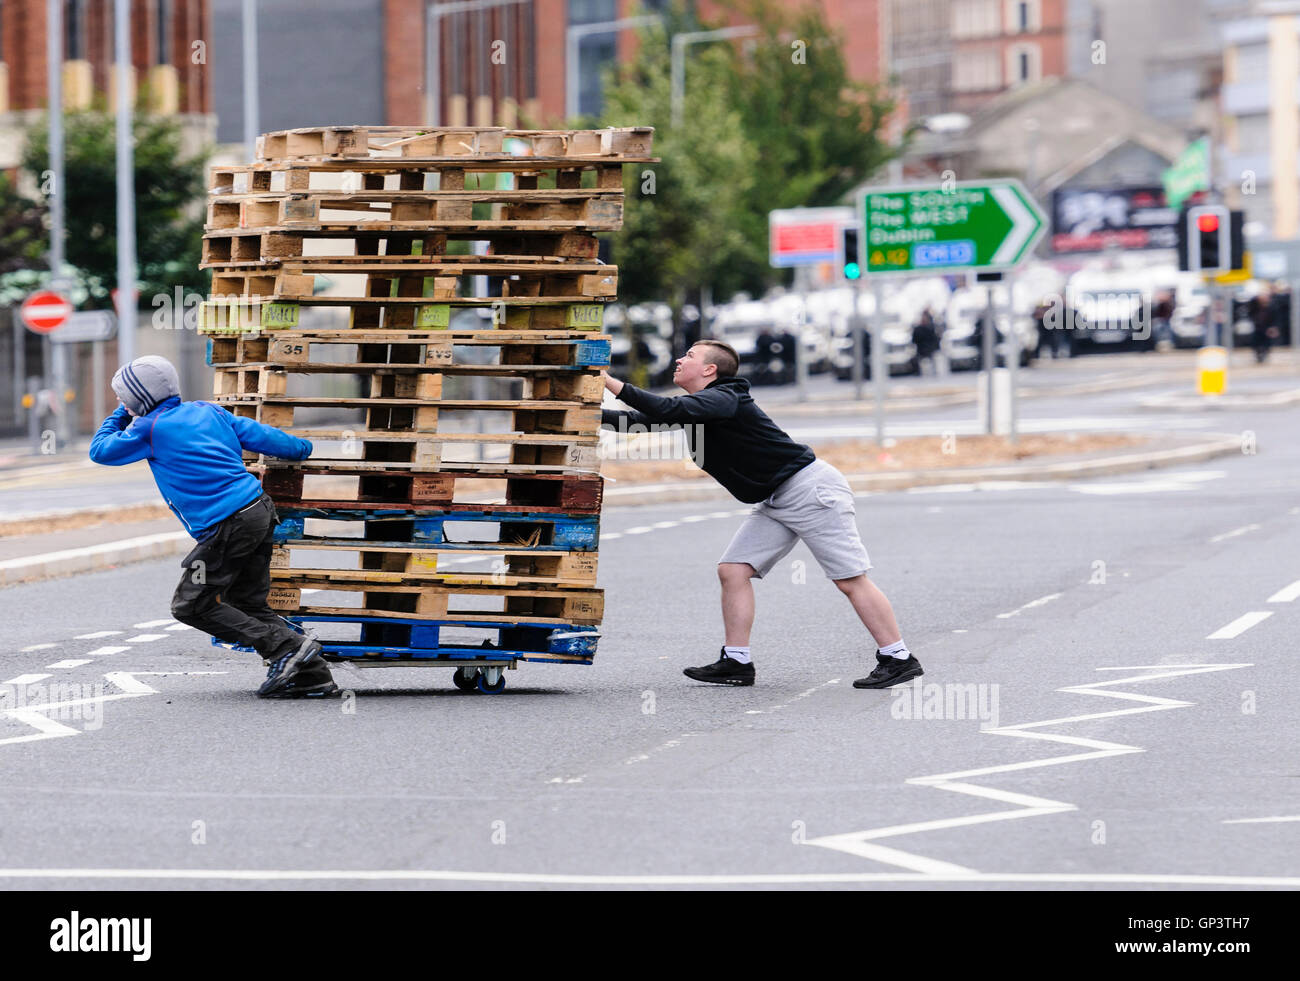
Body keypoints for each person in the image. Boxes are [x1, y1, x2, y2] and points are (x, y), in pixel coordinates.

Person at [600, 340, 923, 689]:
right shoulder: (699, 407)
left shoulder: (726, 397)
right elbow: (637, 422)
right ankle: (737, 662)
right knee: (733, 570)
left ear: (710, 370)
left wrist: (607, 380)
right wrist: (582, 412)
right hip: (777, 497)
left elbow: (662, 409)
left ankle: (898, 657)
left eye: (689, 356)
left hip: (810, 491)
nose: (679, 359)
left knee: (849, 579)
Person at [88, 355, 335, 698]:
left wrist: (121, 414)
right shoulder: (209, 411)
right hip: (258, 511)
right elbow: (268, 439)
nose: (119, 401)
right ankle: (314, 677)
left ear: (138, 398)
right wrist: (302, 448)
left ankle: (287, 648)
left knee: (191, 605)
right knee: (248, 603)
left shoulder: (149, 428)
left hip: (228, 524)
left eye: (122, 395)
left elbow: (100, 451)